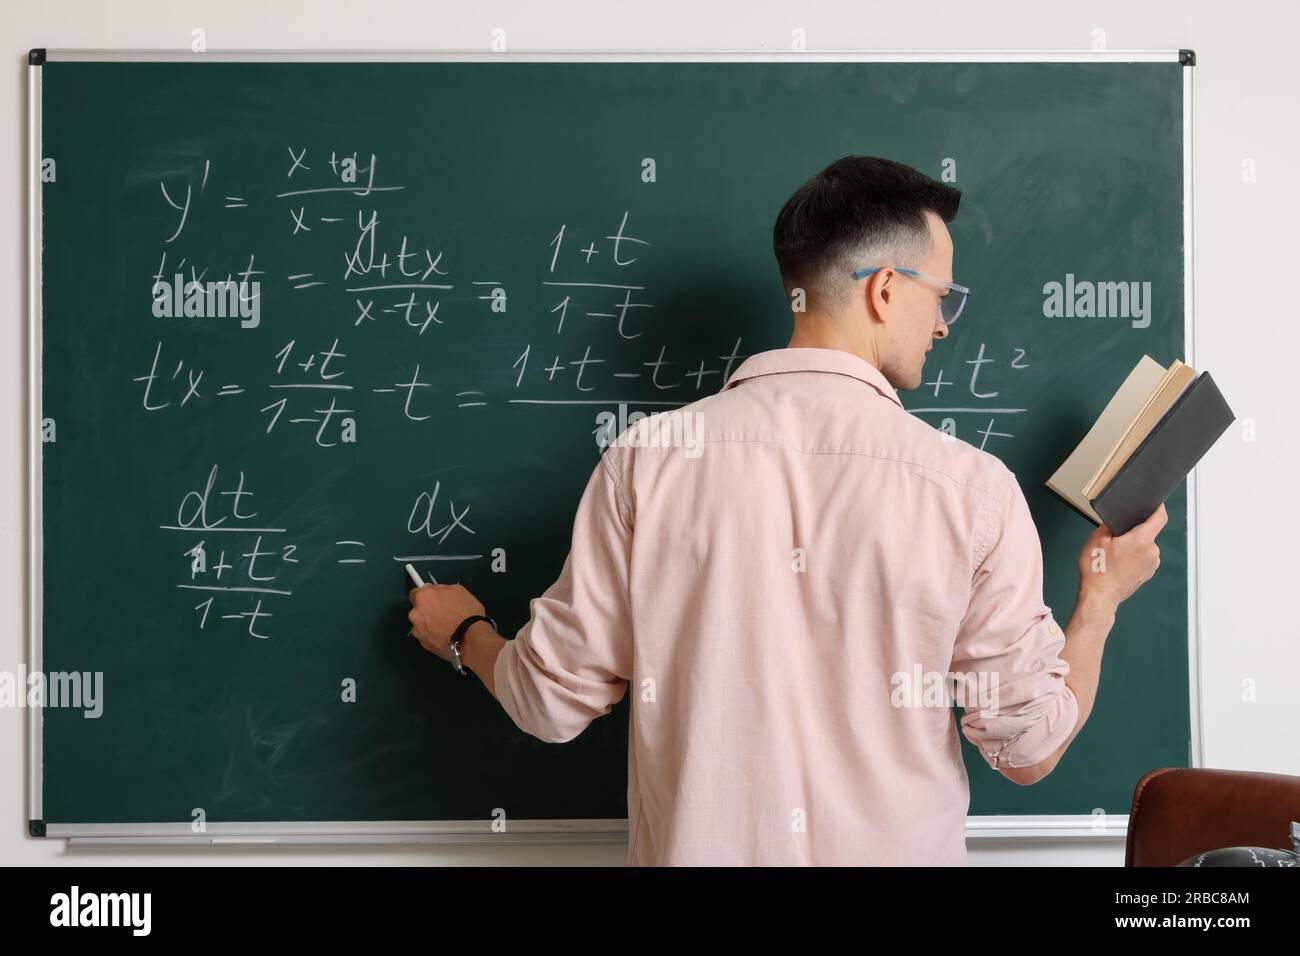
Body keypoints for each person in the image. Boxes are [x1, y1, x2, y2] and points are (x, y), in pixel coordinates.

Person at [407, 155, 1166, 865]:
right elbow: (1029, 748)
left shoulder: (646, 461)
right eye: (943, 297)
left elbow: (549, 700)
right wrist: (1099, 598)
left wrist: (466, 634)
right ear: (886, 289)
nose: (942, 325)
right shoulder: (971, 488)